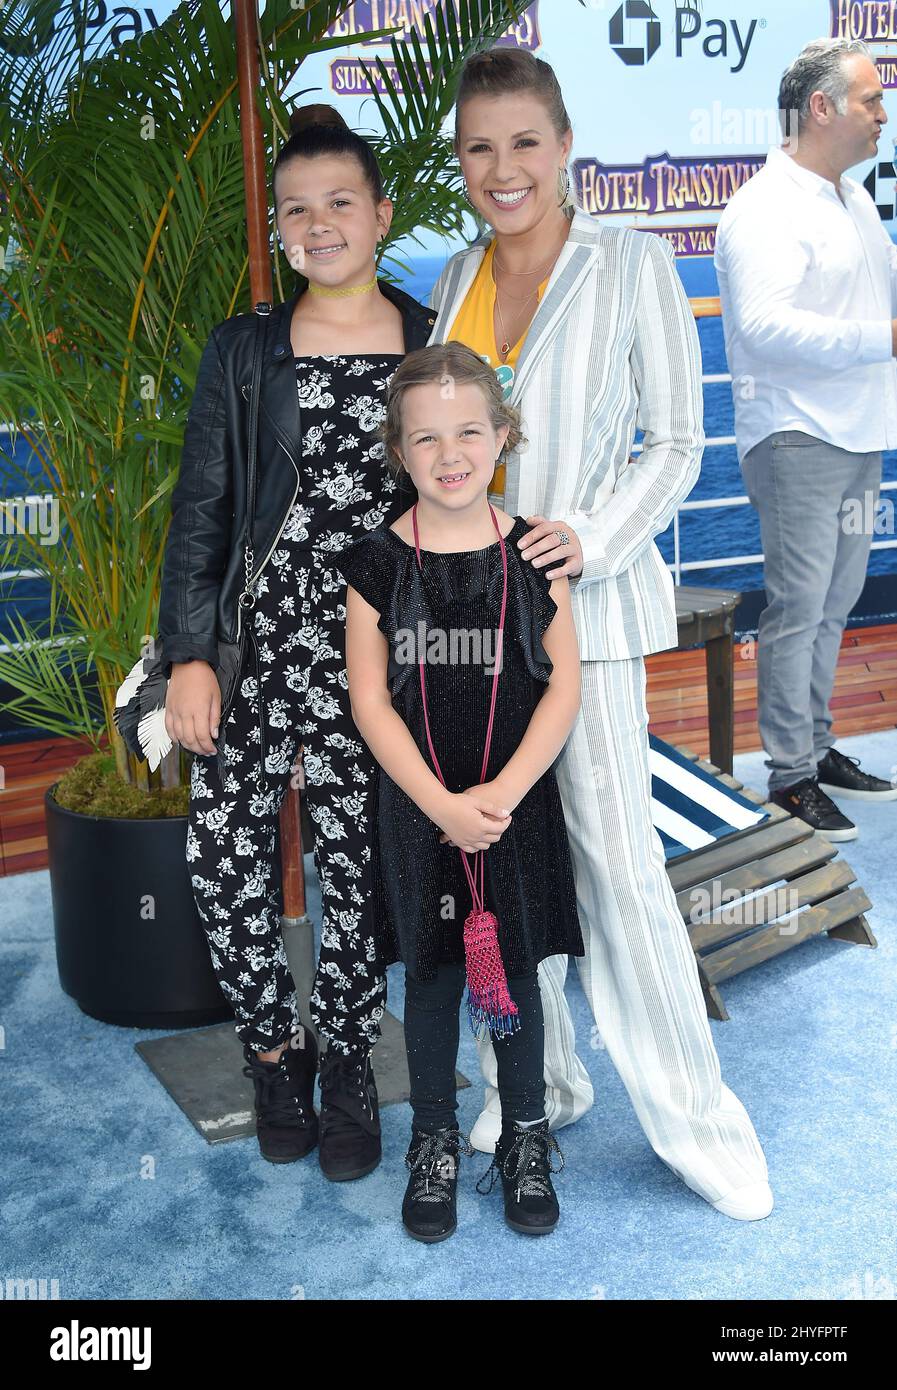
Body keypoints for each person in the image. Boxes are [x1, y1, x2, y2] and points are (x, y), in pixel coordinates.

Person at [428, 46, 774, 1220]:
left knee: (620, 870)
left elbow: (679, 443)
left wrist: (593, 534)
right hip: (474, 633)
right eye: (480, 146)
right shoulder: (457, 278)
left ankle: (700, 1126)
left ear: (567, 145)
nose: (503, 167)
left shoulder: (633, 265)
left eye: (525, 141)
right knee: (503, 866)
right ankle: (544, 1083)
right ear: (461, 160)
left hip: (594, 617)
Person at [157, 104, 436, 1181]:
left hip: (376, 654)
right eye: (297, 211)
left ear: (381, 213)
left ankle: (352, 1060)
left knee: (354, 869)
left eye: (340, 205)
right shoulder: (245, 348)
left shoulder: (425, 341)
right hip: (251, 646)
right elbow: (204, 508)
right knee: (225, 857)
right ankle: (274, 1053)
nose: (320, 226)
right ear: (278, 228)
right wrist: (189, 652)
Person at [337, 342, 584, 1241]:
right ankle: (433, 1139)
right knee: (433, 979)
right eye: (425, 437)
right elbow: (369, 698)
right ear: (398, 453)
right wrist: (441, 807)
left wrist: (504, 794)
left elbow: (562, 684)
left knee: (512, 971)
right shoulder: (374, 564)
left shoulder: (536, 554)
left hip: (511, 811)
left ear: (502, 435)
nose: (449, 453)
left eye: (469, 431)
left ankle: (525, 1135)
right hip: (416, 812)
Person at [715, 37, 897, 839]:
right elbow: (761, 327)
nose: (882, 115)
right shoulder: (762, 206)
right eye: (870, 100)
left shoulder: (851, 201)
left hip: (856, 430)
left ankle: (816, 751)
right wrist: (881, 338)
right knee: (797, 609)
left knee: (833, 604)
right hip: (795, 435)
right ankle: (788, 777)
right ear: (819, 108)